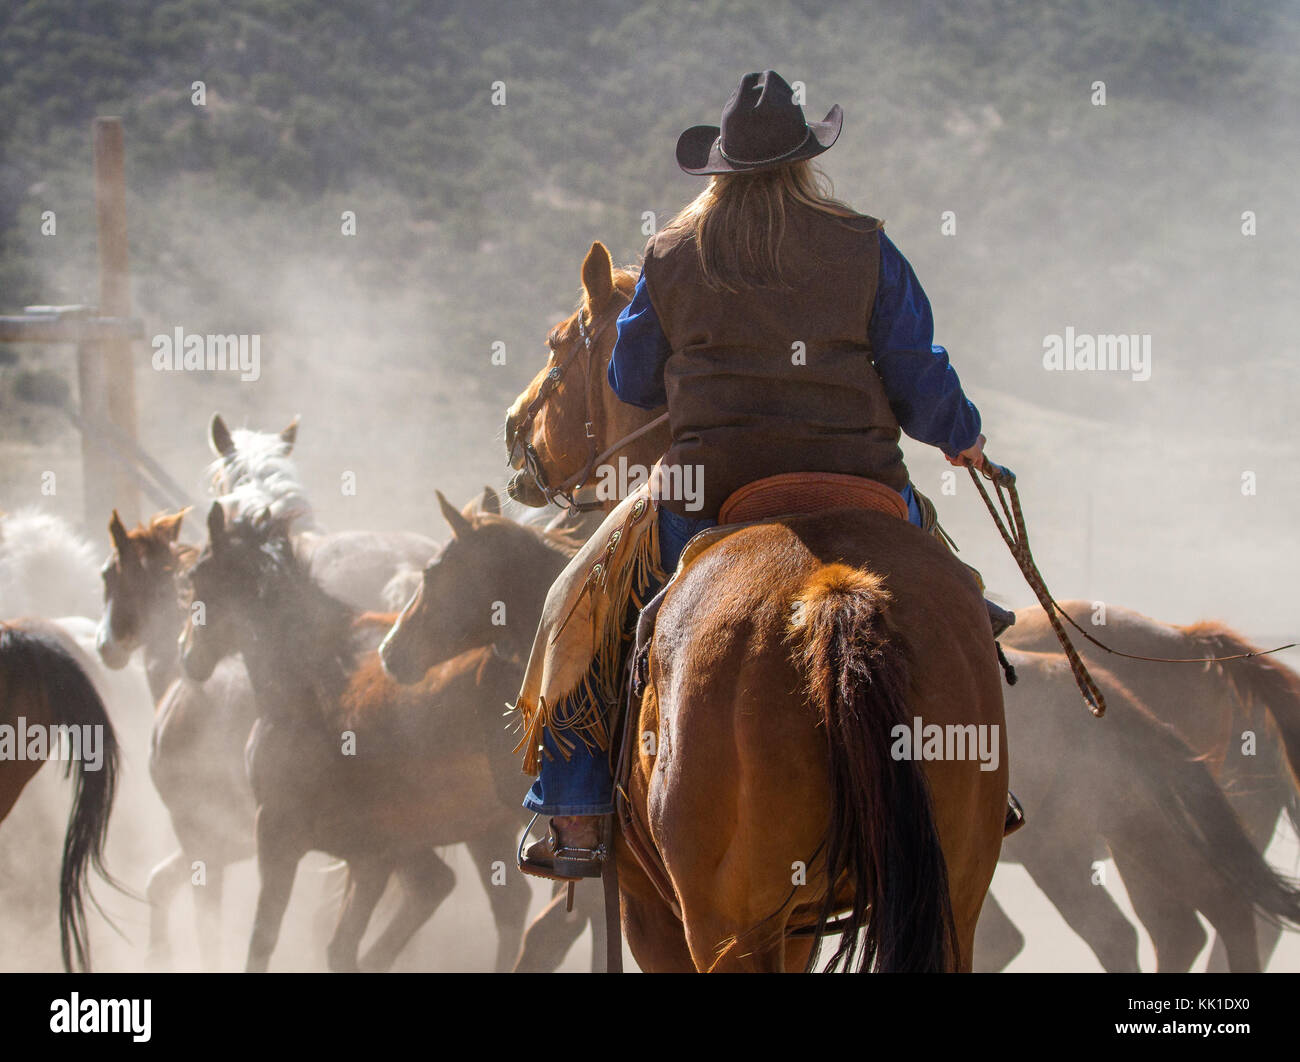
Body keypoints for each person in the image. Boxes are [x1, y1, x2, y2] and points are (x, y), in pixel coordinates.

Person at [521, 69, 1020, 882]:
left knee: (581, 606)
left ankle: (574, 813)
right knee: (955, 595)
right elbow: (917, 368)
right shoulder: (863, 243)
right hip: (861, 479)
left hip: (713, 491)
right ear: (804, 162)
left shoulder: (674, 254)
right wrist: (960, 437)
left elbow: (631, 382)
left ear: (719, 170)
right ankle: (977, 788)